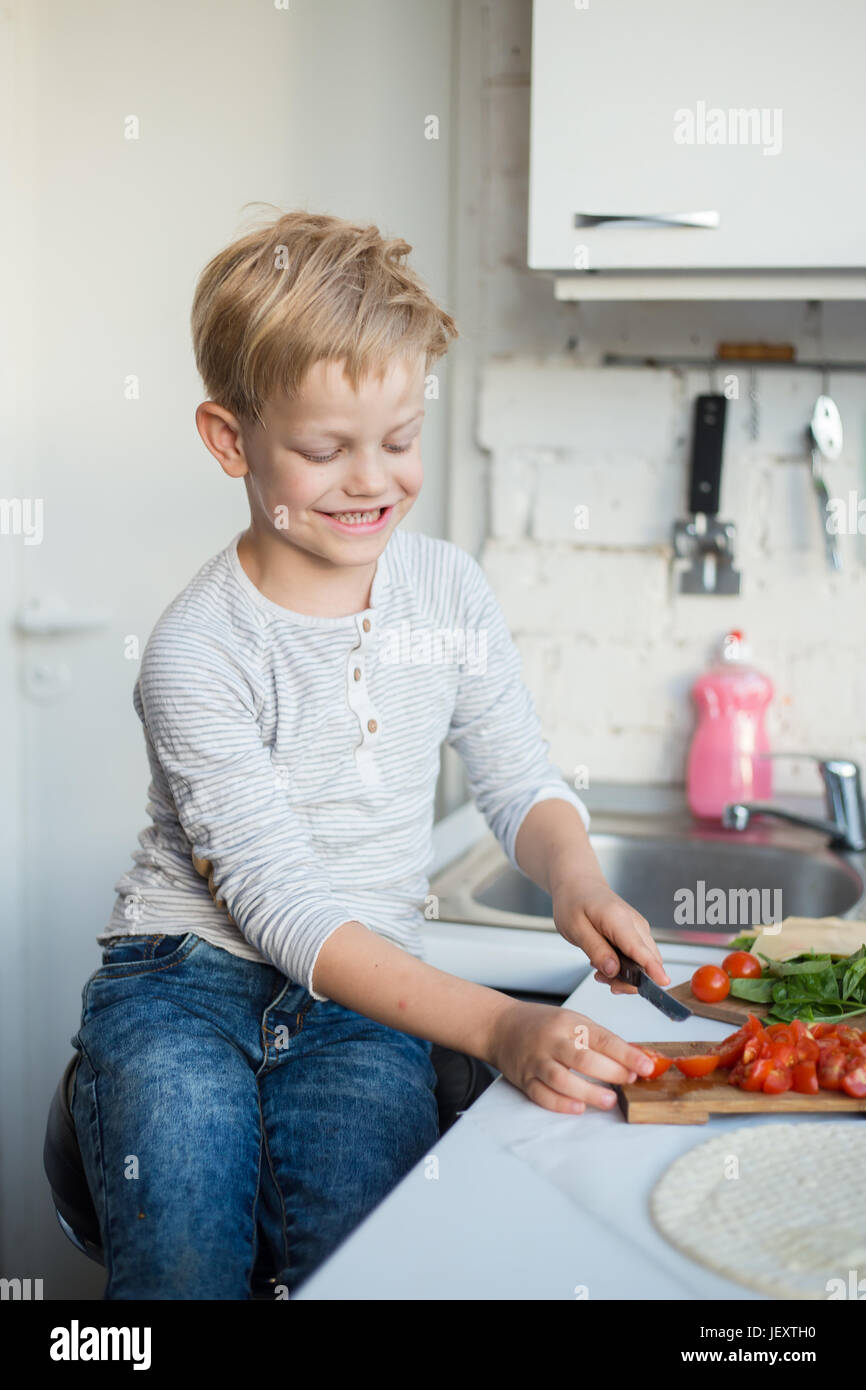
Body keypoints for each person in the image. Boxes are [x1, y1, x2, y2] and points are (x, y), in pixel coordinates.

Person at [70, 208, 668, 1300]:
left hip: (362, 1004)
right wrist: (494, 1025)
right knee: (185, 1264)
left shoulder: (447, 592)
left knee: (367, 1265)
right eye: (322, 448)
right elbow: (284, 907)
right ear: (228, 438)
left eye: (398, 440)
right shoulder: (196, 650)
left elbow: (516, 778)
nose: (370, 480)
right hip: (184, 984)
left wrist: (573, 874)